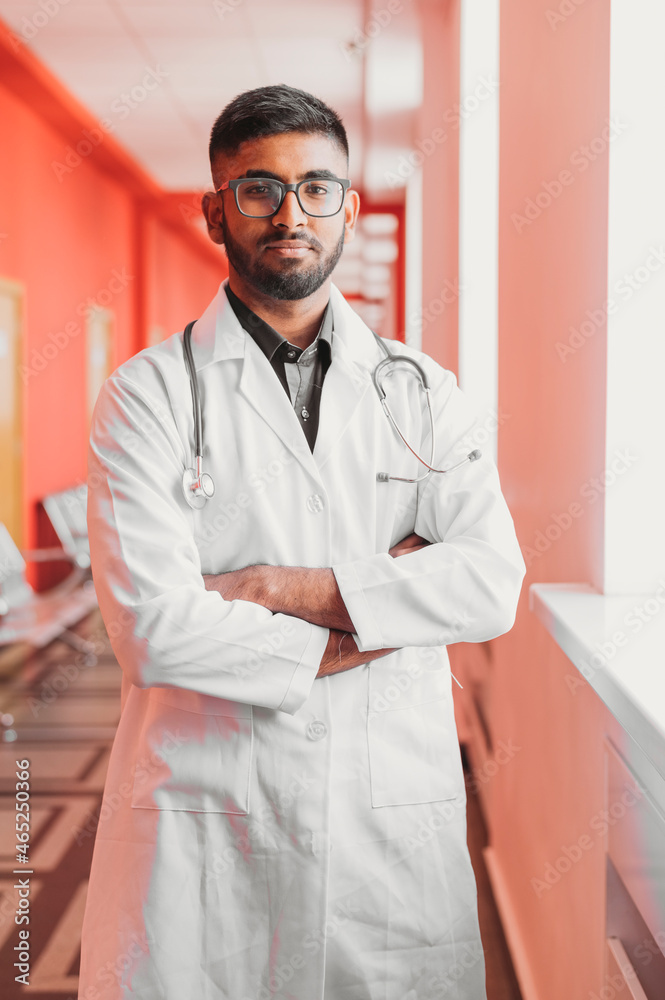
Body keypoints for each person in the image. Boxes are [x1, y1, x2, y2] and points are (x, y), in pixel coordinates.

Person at [78, 83, 525, 1000]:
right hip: (207, 814)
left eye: (318, 188)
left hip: (385, 816)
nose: (292, 212)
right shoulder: (147, 396)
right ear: (214, 211)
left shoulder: (421, 391)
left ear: (350, 209)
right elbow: (156, 632)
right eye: (258, 189)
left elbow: (487, 585)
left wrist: (272, 587)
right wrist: (392, 600)